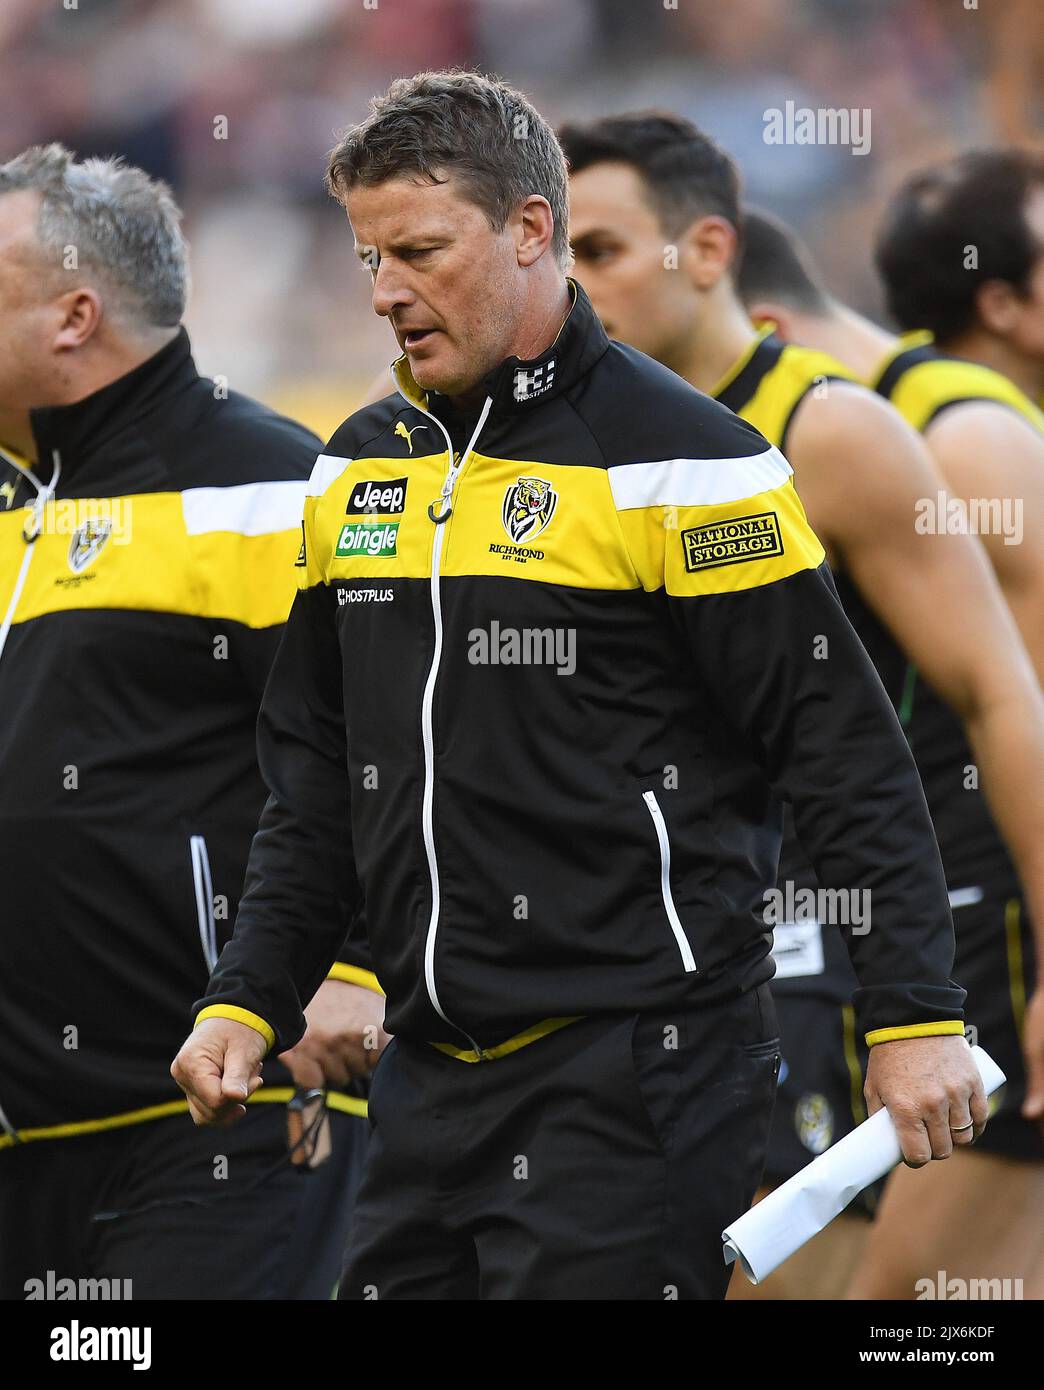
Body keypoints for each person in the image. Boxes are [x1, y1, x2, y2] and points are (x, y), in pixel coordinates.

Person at [173, 70, 982, 1303]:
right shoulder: (357, 465)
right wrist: (252, 990)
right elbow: (324, 776)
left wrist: (915, 1016)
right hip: (425, 1075)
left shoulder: (694, 464)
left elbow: (846, 754)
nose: (386, 291)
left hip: (637, 1076)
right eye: (368, 257)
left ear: (532, 233)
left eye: (421, 251)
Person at [561, 112, 1044, 1299]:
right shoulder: (573, 442)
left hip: (938, 914)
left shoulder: (840, 431)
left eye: (602, 250)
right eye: (553, 254)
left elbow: (1003, 690)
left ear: (711, 250)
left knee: (909, 1298)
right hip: (742, 935)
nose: (571, 285)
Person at [0, 144, 383, 1300]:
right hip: (29, 1128)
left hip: (230, 1095)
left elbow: (400, 747)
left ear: (73, 313)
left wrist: (354, 964)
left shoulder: (277, 488)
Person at [734, 182, 1044, 1298]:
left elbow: (1021, 699)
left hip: (994, 916)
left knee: (909, 1301)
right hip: (926, 911)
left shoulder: (946, 434)